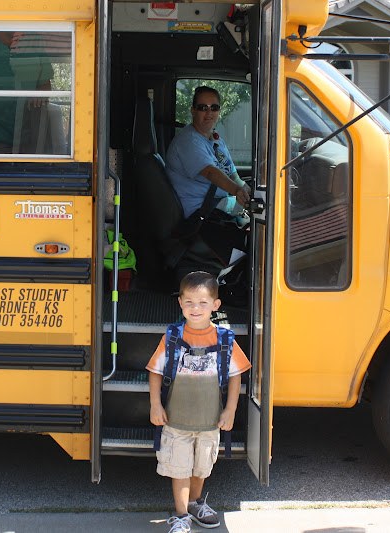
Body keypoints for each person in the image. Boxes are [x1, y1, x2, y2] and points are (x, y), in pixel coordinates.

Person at [147, 271, 252, 533]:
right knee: (180, 468)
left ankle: (195, 504)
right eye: (189, 302)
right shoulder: (171, 337)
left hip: (210, 421)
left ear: (215, 306)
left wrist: (230, 410)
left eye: (203, 302)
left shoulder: (225, 339)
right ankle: (181, 515)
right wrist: (155, 405)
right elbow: (155, 372)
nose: (196, 308)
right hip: (176, 420)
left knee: (201, 467)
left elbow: (236, 375)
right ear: (180, 303)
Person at [165, 86, 251, 272]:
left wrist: (247, 191)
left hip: (219, 205)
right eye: (203, 107)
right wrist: (237, 191)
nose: (209, 112)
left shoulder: (215, 139)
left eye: (214, 107)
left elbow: (231, 173)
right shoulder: (189, 141)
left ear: (220, 111)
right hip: (202, 214)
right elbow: (211, 172)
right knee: (250, 243)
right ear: (193, 110)